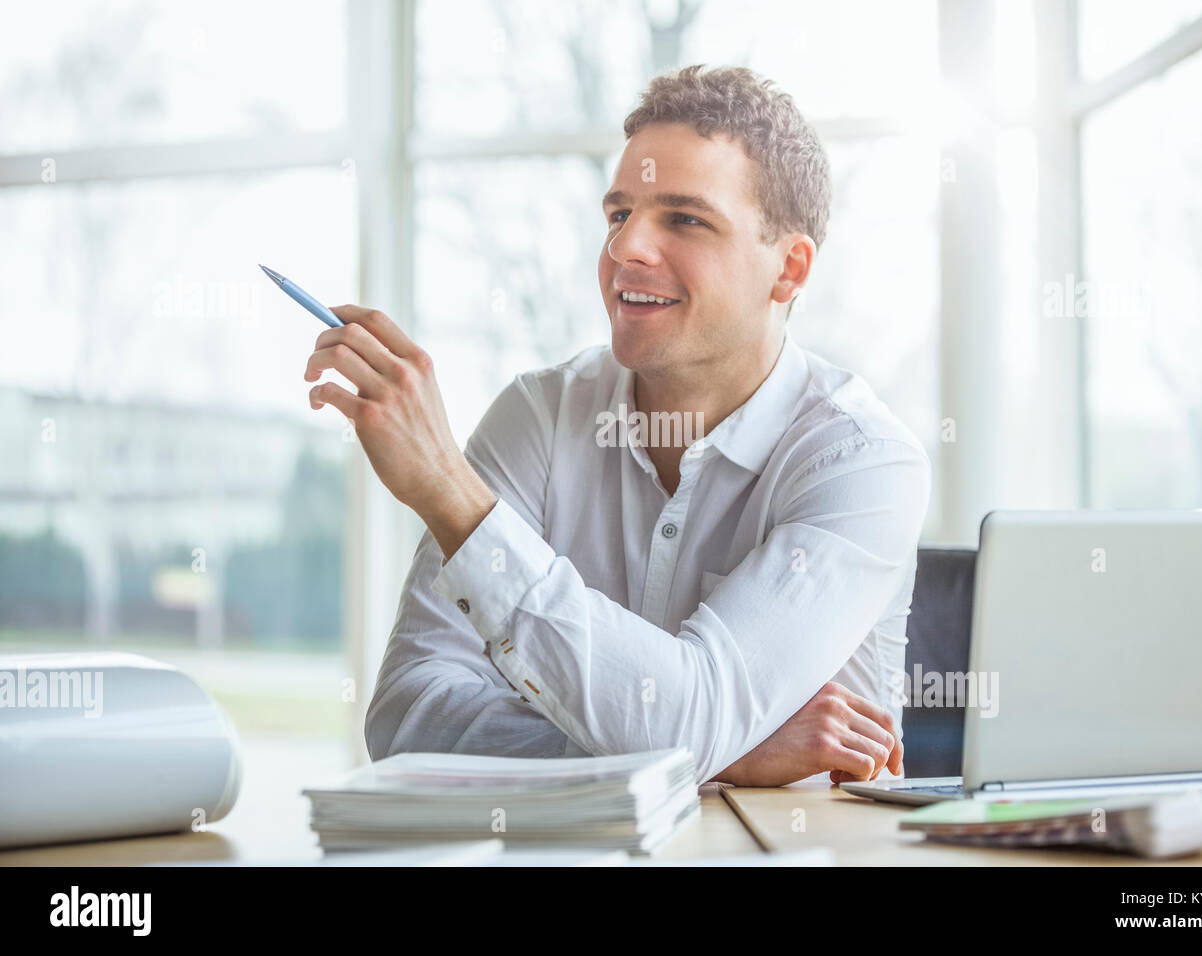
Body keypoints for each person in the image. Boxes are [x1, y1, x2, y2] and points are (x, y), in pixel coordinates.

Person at [305, 65, 931, 787]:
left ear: (788, 271)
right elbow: (406, 716)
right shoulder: (539, 417)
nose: (625, 248)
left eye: (684, 218)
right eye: (618, 213)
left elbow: (688, 717)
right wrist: (718, 754)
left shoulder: (863, 461)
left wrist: (453, 495)